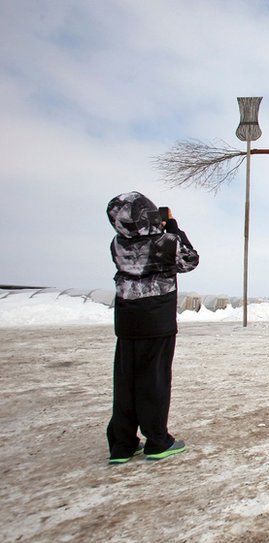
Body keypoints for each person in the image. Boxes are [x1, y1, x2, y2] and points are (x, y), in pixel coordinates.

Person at [106, 192, 199, 463]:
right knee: (154, 381)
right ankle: (157, 441)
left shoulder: (117, 244)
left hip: (126, 320)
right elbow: (189, 260)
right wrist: (173, 228)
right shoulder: (167, 242)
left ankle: (121, 445)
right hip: (156, 319)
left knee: (125, 382)